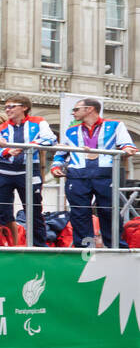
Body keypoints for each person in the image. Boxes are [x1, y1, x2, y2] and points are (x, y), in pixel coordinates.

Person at [53, 97, 136, 248]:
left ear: (89, 109)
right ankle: (85, 248)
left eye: (76, 109)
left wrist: (128, 149)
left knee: (109, 211)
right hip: (77, 174)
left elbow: (127, 144)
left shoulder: (114, 125)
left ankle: (115, 247)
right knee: (79, 213)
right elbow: (60, 153)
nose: (73, 113)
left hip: (104, 173)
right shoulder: (71, 130)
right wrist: (55, 167)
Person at [0, 94, 56, 246]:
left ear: (24, 108)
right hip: (3, 173)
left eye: (12, 106)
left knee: (33, 210)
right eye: (6, 107)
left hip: (29, 171)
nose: (8, 110)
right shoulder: (1, 128)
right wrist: (7, 152)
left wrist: (28, 146)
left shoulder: (38, 122)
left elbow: (50, 139)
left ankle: (39, 247)